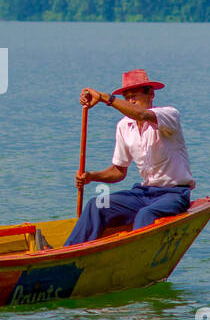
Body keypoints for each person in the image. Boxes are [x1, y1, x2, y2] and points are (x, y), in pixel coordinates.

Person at [63, 69, 195, 246]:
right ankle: (71, 250)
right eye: (127, 98)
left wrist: (105, 98)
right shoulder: (124, 126)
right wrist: (91, 176)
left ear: (151, 94)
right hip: (144, 193)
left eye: (135, 96)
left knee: (146, 214)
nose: (131, 101)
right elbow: (118, 171)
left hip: (173, 193)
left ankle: (135, 256)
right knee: (97, 205)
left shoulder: (169, 114)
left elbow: (141, 114)